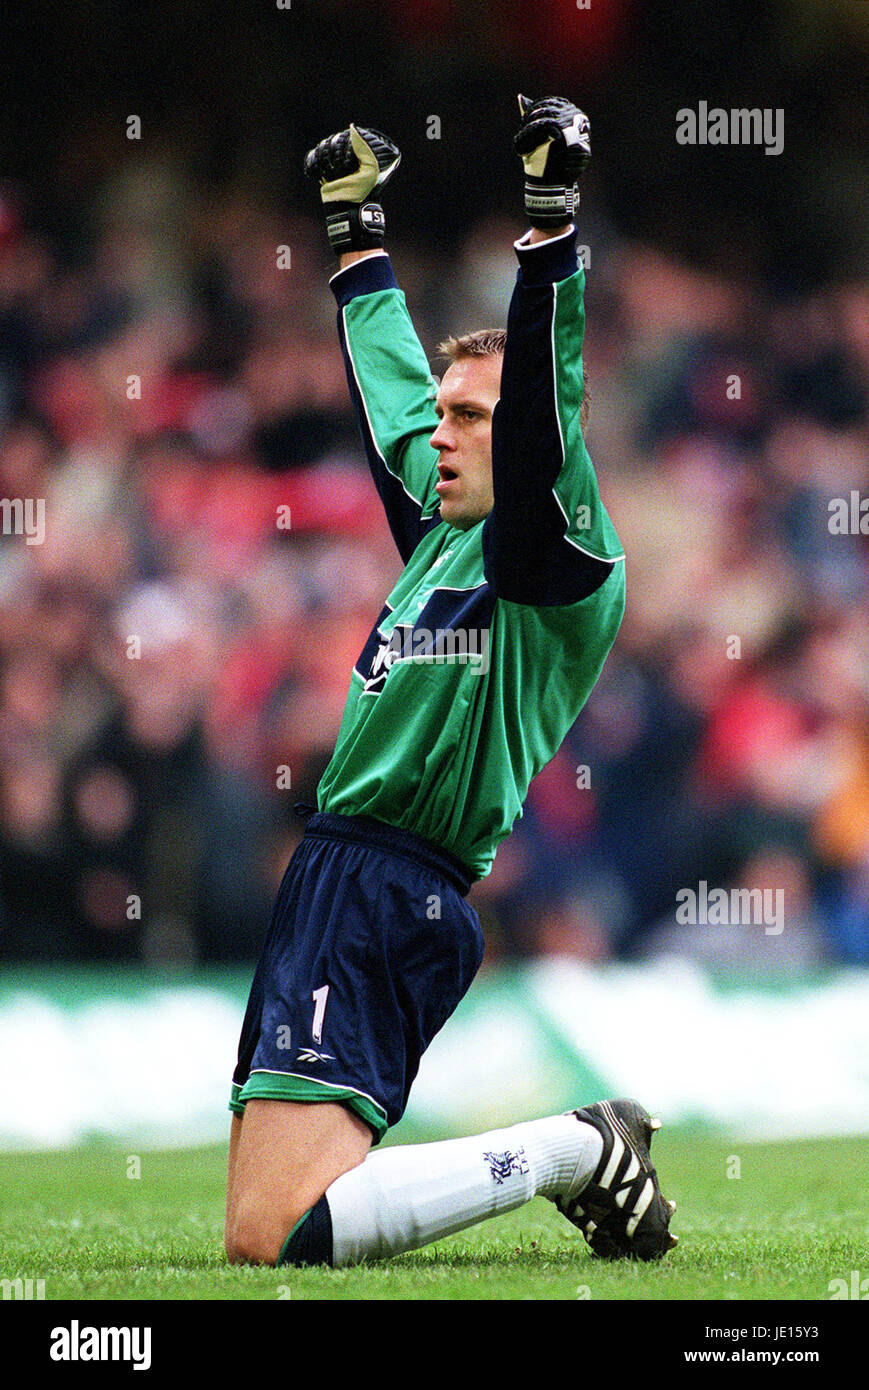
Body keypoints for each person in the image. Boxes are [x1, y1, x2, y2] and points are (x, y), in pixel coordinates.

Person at [224, 96, 677, 1268]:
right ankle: (566, 1148)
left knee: (274, 1234)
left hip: (392, 886)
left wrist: (548, 230)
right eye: (446, 416)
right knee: (268, 1224)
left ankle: (570, 1149)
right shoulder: (442, 532)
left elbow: (534, 423)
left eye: (468, 417)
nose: (444, 435)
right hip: (336, 870)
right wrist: (355, 241)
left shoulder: (558, 559)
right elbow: (389, 409)